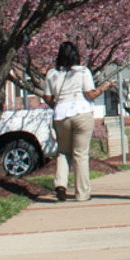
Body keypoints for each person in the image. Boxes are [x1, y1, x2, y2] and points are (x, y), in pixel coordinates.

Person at [42, 41, 114, 202]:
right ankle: (82, 193)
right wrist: (104, 87)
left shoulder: (52, 73)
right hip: (81, 112)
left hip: (61, 115)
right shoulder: (82, 71)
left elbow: (47, 97)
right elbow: (90, 94)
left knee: (63, 152)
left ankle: (60, 184)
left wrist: (57, 103)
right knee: (80, 154)